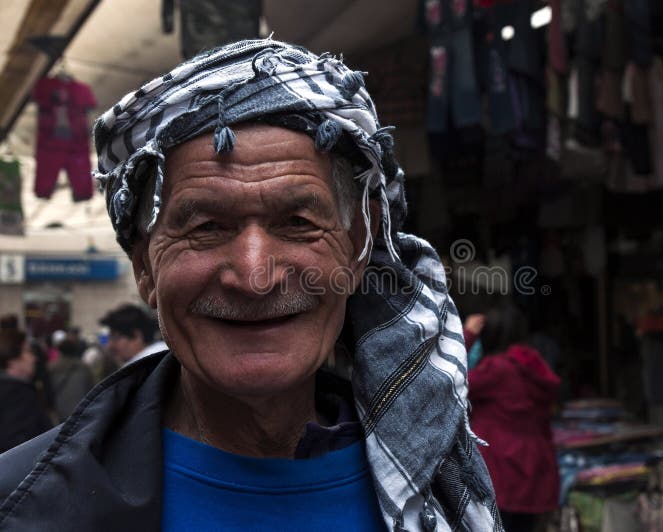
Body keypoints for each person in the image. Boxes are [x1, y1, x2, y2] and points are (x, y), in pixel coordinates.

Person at [0, 39, 499, 531]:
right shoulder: (23, 505)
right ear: (144, 268)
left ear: (356, 248)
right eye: (206, 228)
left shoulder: (439, 486)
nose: (255, 277)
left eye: (298, 223)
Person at [468, 305, 561, 532]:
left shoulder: (496, 369)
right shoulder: (534, 365)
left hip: (502, 473)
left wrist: (467, 336)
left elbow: (448, 381)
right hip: (536, 472)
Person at [0, 329, 53, 453]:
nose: (34, 358)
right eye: (28, 351)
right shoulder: (17, 394)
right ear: (12, 361)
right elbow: (19, 448)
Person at [98, 304, 167, 367]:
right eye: (109, 338)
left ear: (136, 336)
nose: (110, 345)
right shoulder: (163, 353)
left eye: (115, 338)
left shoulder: (147, 364)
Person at [48, 337, 95, 422]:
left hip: (59, 413)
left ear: (60, 350)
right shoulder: (84, 368)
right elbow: (91, 390)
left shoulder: (51, 368)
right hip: (79, 413)